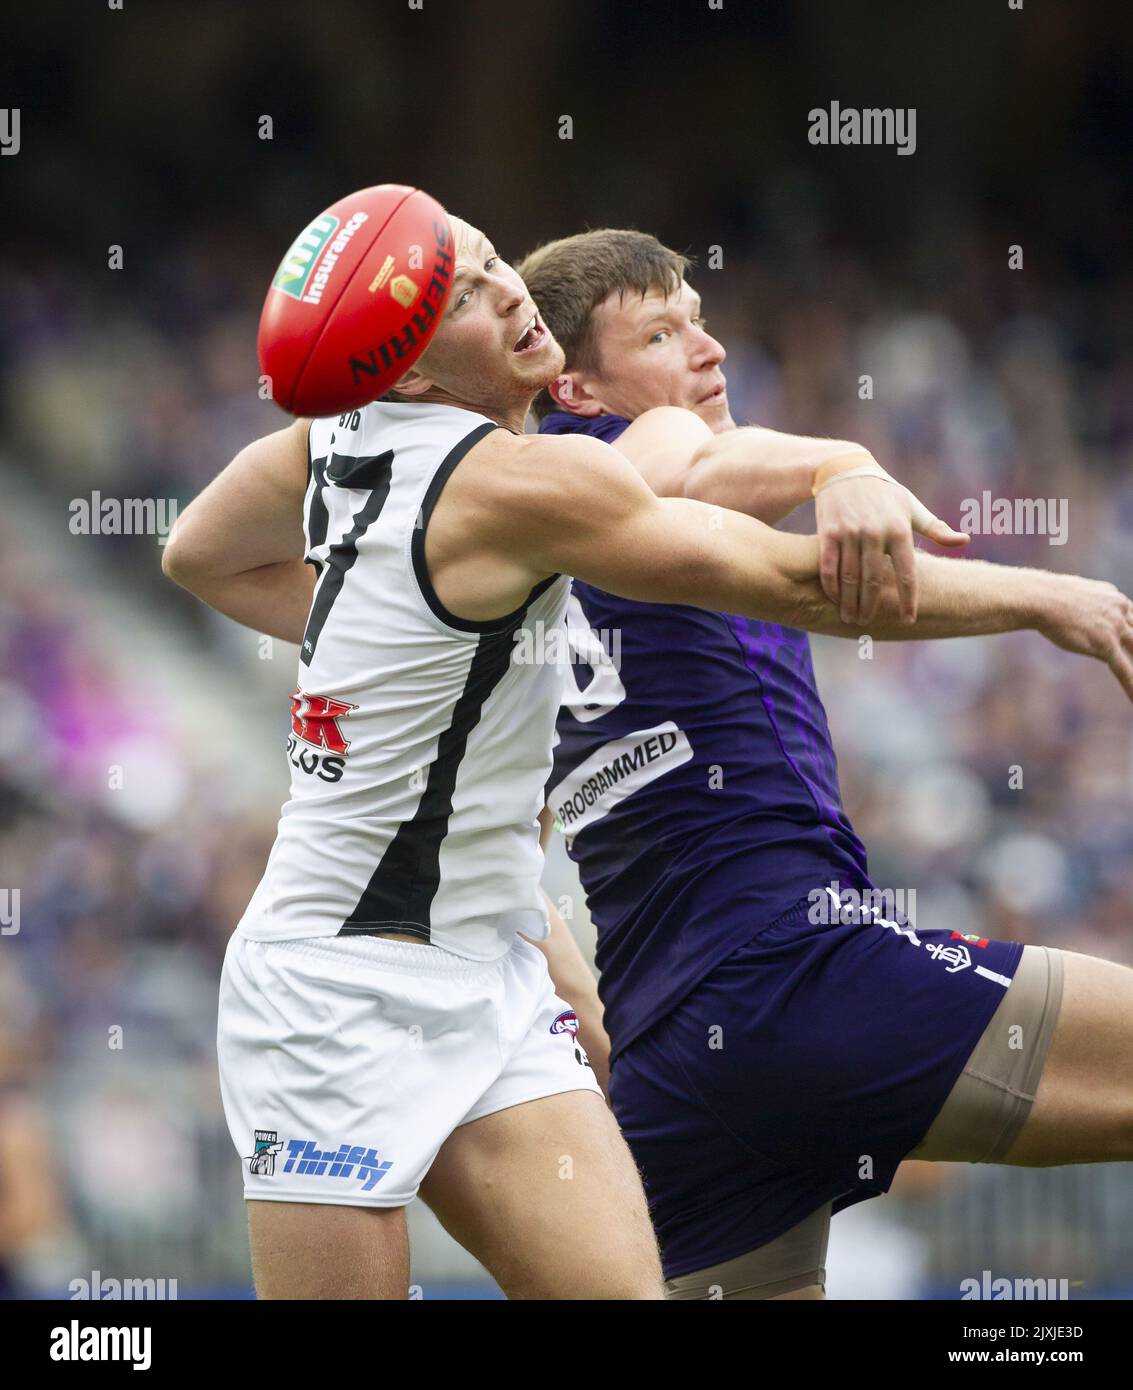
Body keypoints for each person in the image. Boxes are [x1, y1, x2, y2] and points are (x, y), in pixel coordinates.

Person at [165, 214, 1133, 1301]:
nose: (504, 291)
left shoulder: (358, 457)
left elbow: (195, 550)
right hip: (380, 987)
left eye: (489, 261)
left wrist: (417, 645)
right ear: (418, 373)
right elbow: (745, 519)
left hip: (569, 1003)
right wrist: (1042, 586)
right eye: (467, 296)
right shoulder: (563, 480)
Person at [510, 226, 1133, 1299]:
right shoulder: (623, 458)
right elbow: (690, 461)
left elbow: (513, 882)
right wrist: (854, 469)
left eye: (698, 320)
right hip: (795, 979)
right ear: (571, 387)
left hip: (670, 1064)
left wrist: (612, 1037)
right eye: (660, 332)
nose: (704, 351)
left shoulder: (506, 587)